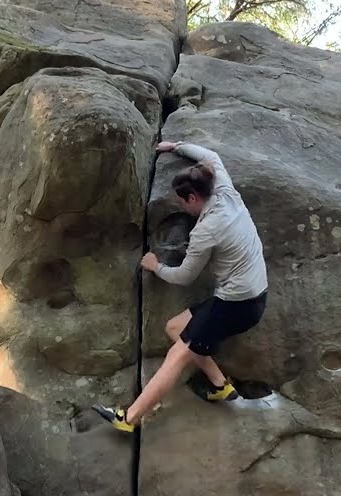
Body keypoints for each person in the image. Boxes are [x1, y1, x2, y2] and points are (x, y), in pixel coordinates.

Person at [92, 140, 268, 432]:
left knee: (177, 355)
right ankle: (220, 385)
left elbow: (185, 276)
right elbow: (211, 155)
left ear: (192, 198)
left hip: (236, 305)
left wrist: (155, 266)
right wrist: (176, 146)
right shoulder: (224, 189)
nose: (179, 205)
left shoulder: (207, 230)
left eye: (181, 201)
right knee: (175, 327)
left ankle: (128, 419)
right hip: (248, 295)